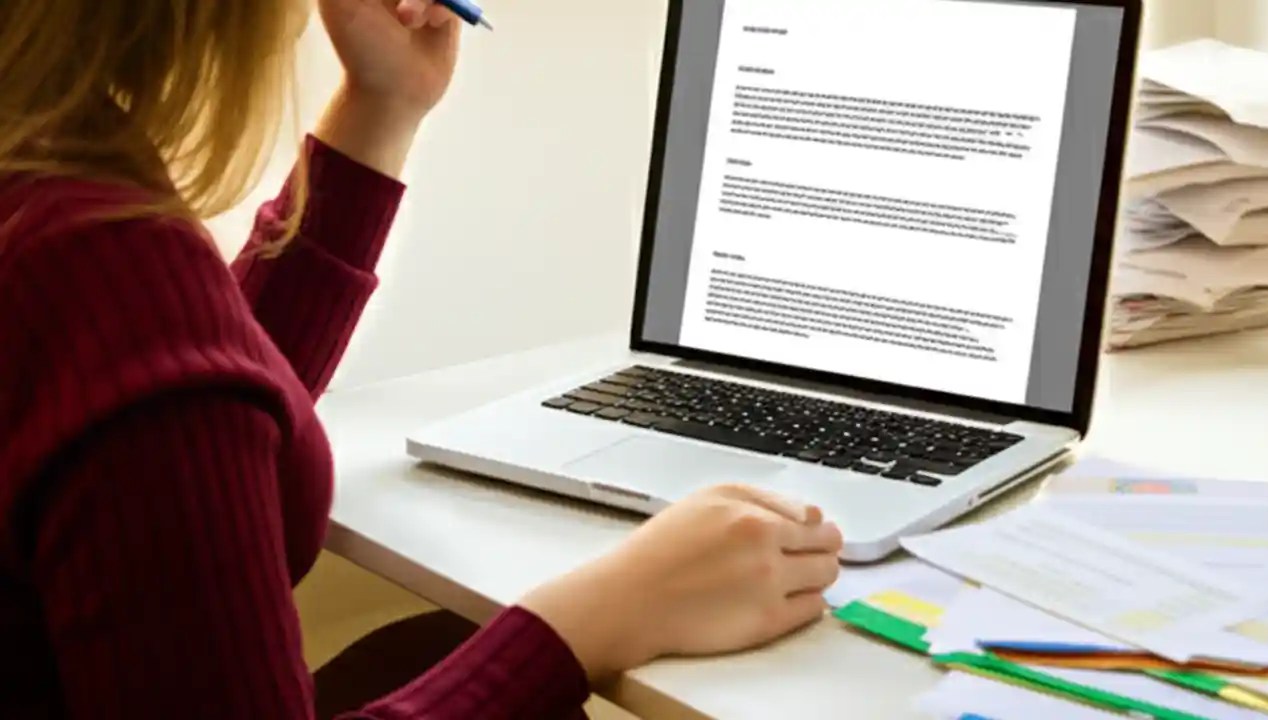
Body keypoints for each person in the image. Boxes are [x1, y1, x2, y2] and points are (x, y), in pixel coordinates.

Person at [0, 0, 845, 718]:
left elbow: (172, 429)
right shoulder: (98, 252)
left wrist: (383, 104)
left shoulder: (40, 171)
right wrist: (605, 614)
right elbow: (155, 374)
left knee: (436, 643)